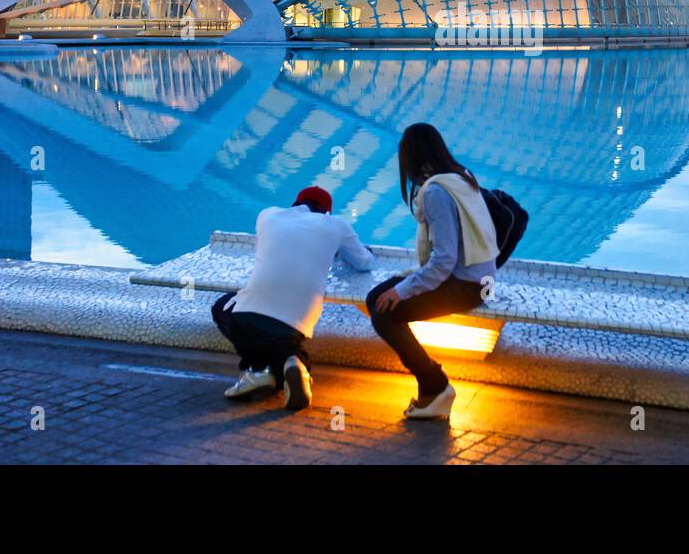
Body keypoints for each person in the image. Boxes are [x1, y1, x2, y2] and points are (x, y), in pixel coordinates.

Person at [366, 124, 497, 420]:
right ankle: (433, 384)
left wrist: (401, 290)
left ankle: (434, 386)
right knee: (375, 297)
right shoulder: (461, 178)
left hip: (466, 285)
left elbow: (444, 260)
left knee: (384, 314)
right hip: (478, 278)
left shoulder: (436, 192)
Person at [212, 185, 374, 410]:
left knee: (220, 306)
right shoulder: (336, 225)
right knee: (282, 340)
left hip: (246, 319)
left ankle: (259, 370)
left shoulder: (267, 215)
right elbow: (364, 262)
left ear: (295, 203)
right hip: (296, 326)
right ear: (325, 212)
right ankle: (294, 364)